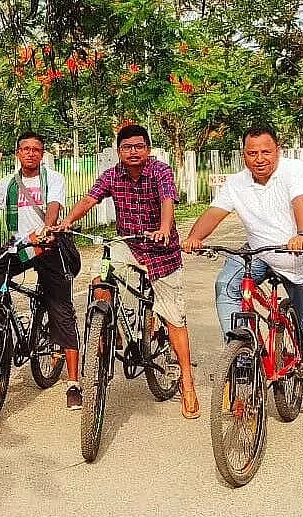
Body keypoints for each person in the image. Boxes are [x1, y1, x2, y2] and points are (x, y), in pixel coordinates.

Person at [182, 126, 303, 442]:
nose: (259, 159)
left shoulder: (293, 170)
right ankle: (242, 349)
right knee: (226, 287)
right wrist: (194, 238)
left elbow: (302, 203)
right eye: (251, 153)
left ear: (278, 150)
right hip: (261, 253)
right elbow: (214, 212)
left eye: (265, 152)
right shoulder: (236, 183)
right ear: (244, 155)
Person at [51, 123, 200, 418]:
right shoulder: (112, 175)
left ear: (148, 149)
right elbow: (90, 199)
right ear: (119, 151)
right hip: (128, 244)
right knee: (100, 273)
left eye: (139, 146)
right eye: (127, 147)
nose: (133, 152)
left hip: (160, 252)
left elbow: (168, 199)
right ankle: (107, 324)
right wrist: (67, 222)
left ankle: (187, 380)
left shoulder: (160, 171)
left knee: (173, 317)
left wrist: (164, 229)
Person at [0, 132, 82, 409]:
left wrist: (46, 230)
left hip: (48, 244)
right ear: (18, 153)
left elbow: (54, 207)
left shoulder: (54, 178)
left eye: (36, 149)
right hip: (19, 245)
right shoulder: (9, 181)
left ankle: (73, 382)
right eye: (26, 149)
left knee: (60, 309)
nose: (31, 153)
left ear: (42, 154)